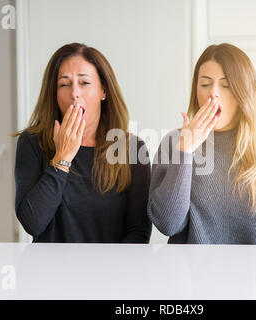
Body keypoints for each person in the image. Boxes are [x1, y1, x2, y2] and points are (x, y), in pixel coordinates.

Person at [148, 43, 256, 244]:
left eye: (226, 85)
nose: (213, 93)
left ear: (243, 92)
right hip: (187, 275)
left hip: (254, 274)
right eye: (205, 84)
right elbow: (167, 224)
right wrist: (185, 152)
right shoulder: (174, 142)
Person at [13, 43, 152, 243]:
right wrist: (62, 158)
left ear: (103, 90)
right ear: (54, 93)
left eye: (84, 83)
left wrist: (111, 273)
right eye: (64, 84)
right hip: (48, 272)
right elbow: (32, 224)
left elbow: (138, 232)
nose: (74, 93)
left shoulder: (132, 149)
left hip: (111, 272)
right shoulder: (32, 142)